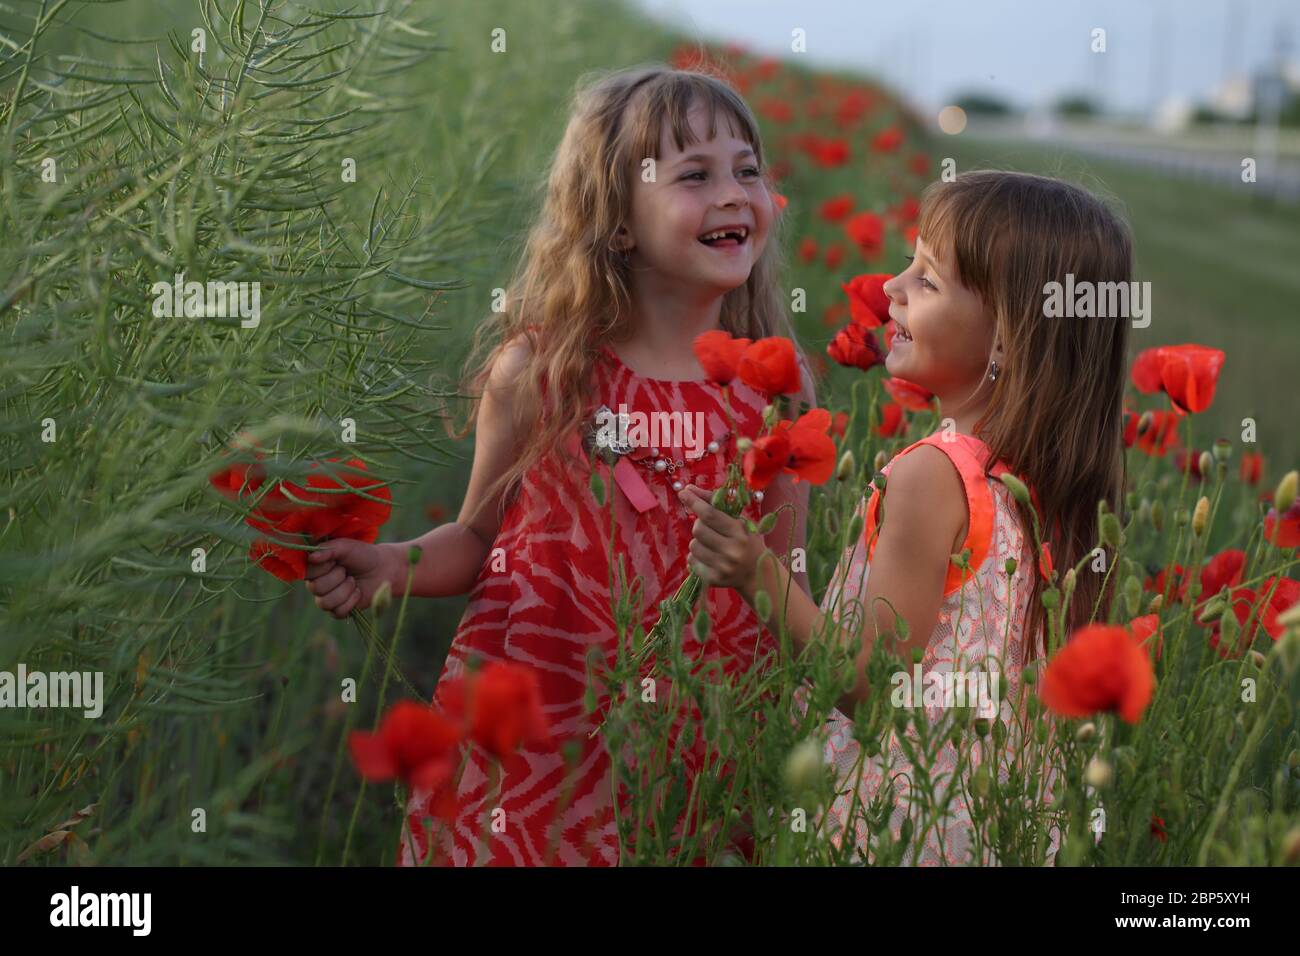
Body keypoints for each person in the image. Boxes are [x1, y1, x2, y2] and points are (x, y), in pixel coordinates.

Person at [305, 64, 815, 865]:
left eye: (747, 170)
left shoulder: (774, 394)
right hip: (543, 739)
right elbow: (477, 539)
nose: (732, 192)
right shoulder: (542, 378)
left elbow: (787, 589)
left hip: (703, 741)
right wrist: (388, 567)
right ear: (617, 224)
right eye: (694, 174)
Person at [681, 170, 1132, 865]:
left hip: (896, 827)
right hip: (988, 828)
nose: (890, 287)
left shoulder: (932, 474)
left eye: (926, 279)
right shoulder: (1041, 483)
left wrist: (756, 571)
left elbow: (870, 684)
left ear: (1007, 341)